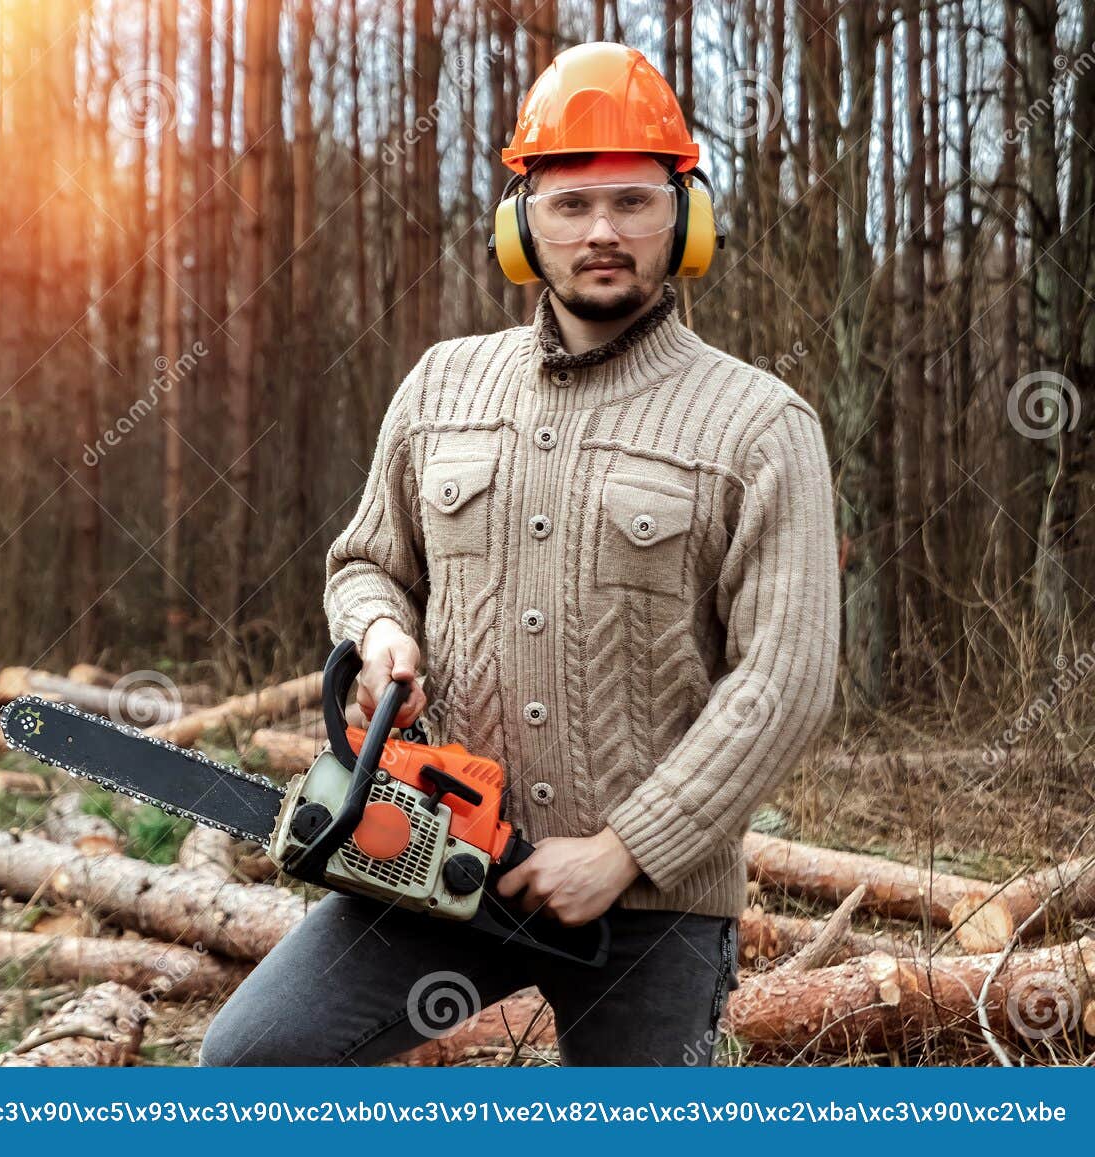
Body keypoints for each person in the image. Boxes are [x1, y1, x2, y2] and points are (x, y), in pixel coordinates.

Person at [198, 42, 839, 1067]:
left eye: (632, 201)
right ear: (517, 221)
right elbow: (366, 562)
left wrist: (625, 849)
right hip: (436, 858)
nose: (600, 232)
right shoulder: (442, 385)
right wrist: (379, 637)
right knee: (253, 1060)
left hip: (651, 904)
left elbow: (785, 678)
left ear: (686, 217)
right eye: (569, 202)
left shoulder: (759, 423)